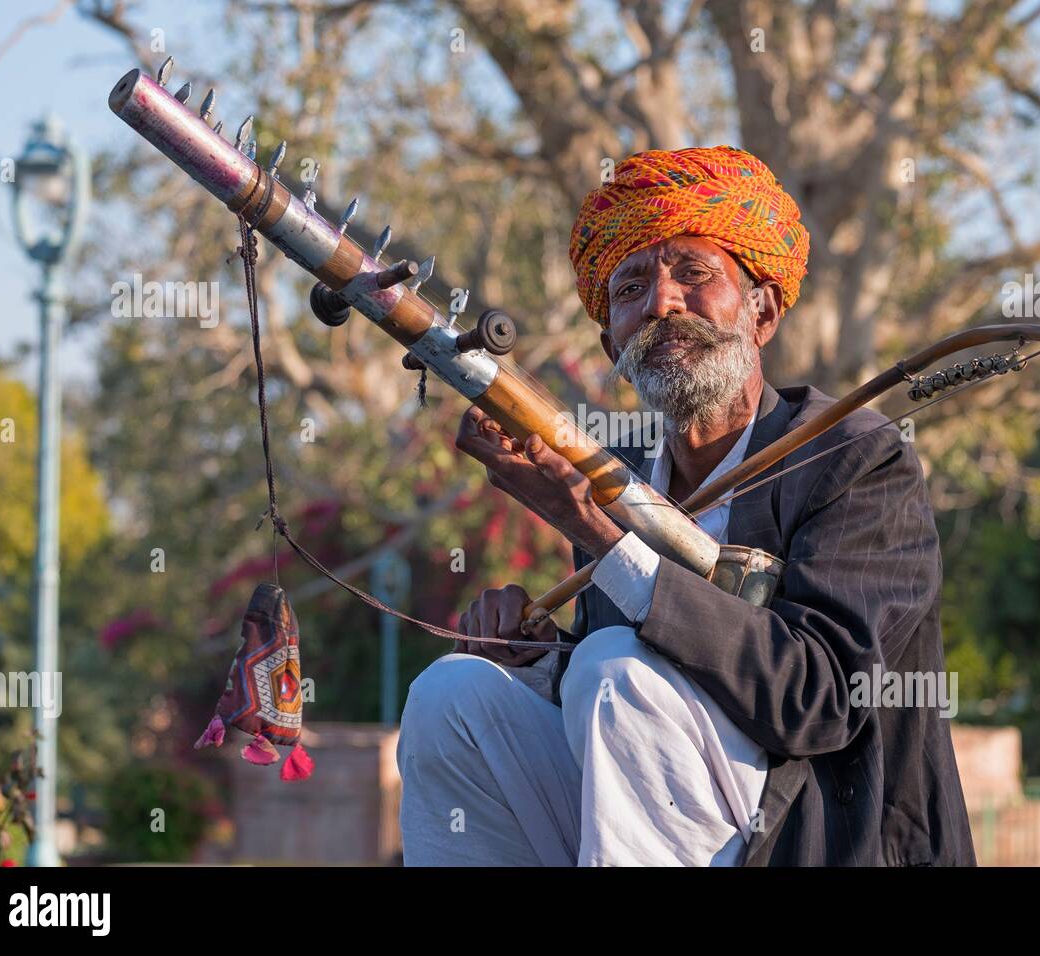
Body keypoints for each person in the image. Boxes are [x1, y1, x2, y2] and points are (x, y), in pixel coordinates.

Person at [396, 146, 975, 866]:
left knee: (615, 665)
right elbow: (641, 714)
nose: (662, 303)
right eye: (632, 286)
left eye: (694, 273)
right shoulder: (622, 472)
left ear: (761, 310)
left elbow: (820, 700)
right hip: (664, 826)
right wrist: (539, 658)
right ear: (613, 344)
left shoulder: (857, 455)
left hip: (814, 837)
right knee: (452, 694)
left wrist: (594, 529)